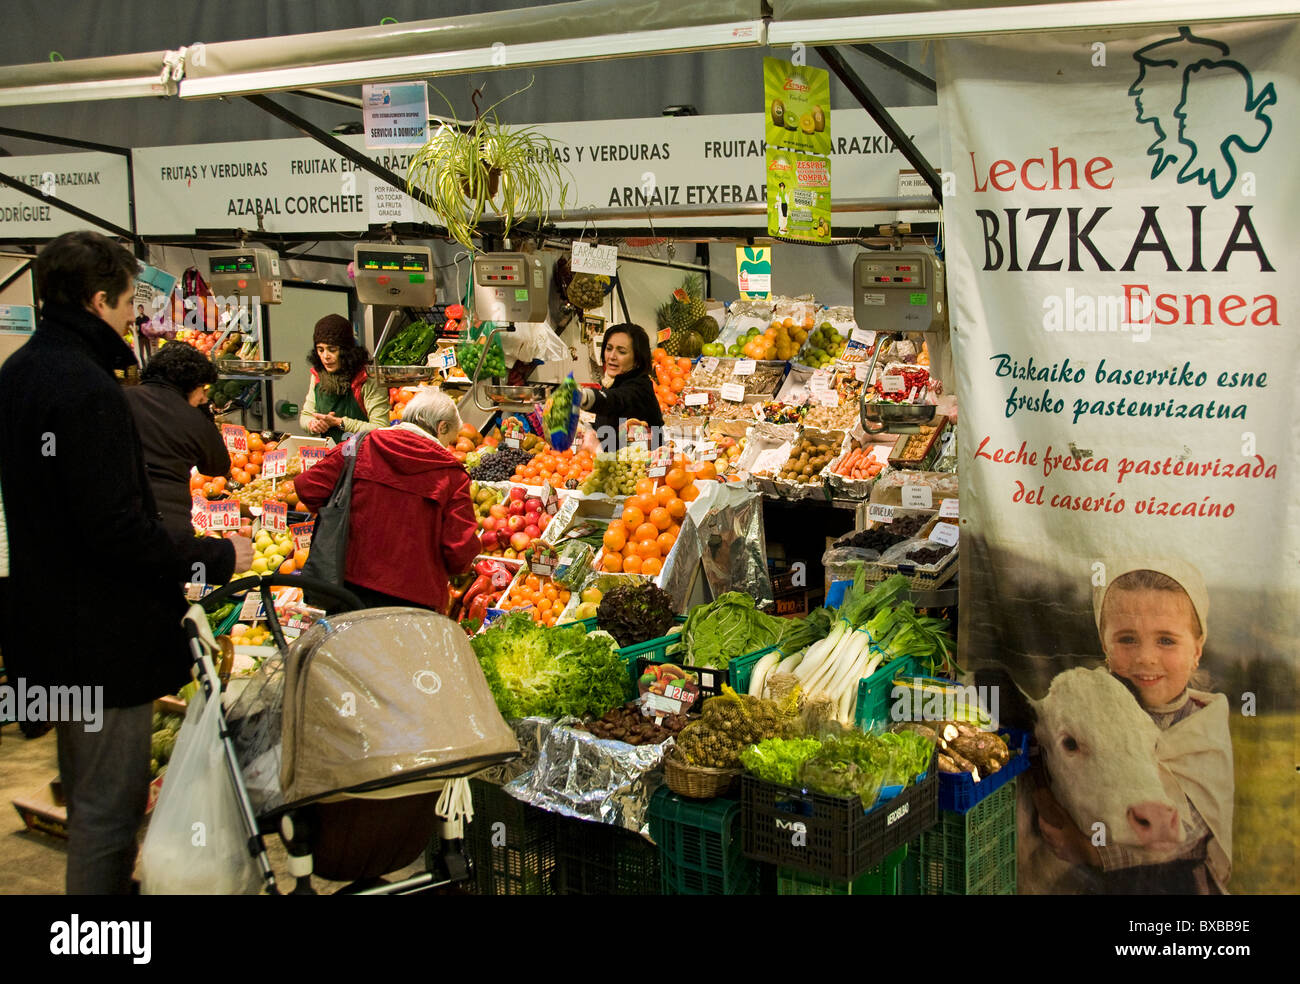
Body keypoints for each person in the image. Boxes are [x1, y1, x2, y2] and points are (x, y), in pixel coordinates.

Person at [0, 230, 251, 894]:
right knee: (109, 817)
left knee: (87, 802)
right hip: (101, 643)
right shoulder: (87, 389)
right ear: (97, 299)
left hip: (48, 634)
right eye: (125, 304)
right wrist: (216, 556)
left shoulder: (17, 375)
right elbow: (118, 529)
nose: (133, 318)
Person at [1036, 561, 1233, 894]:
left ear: (1196, 651)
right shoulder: (1093, 709)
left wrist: (1094, 853)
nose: (1145, 657)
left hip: (1176, 885)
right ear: (1105, 645)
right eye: (1127, 639)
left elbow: (1196, 831)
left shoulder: (1202, 726)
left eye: (1166, 641)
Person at [292, 388, 479, 612]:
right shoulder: (451, 474)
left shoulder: (360, 447)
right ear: (442, 427)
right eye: (448, 440)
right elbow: (459, 551)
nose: (447, 448)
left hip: (348, 588)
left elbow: (307, 488)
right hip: (415, 601)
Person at [126, 342, 235, 539]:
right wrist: (205, 415)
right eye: (203, 388)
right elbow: (218, 466)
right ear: (192, 385)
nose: (204, 397)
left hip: (115, 520)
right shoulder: (193, 419)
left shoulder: (119, 398)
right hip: (168, 528)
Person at [299, 314, 388, 443]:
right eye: (320, 350)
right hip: (331, 455)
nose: (325, 356)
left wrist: (339, 423)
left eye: (332, 349)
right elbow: (306, 415)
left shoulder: (367, 378)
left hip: (364, 456)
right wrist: (313, 424)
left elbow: (381, 428)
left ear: (346, 351)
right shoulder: (318, 376)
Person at [578, 323, 664, 452]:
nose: (612, 356)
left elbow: (615, 400)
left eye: (621, 351)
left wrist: (584, 396)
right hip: (614, 461)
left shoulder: (640, 388)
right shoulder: (612, 381)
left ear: (637, 359)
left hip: (642, 466)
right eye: (608, 348)